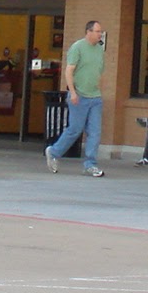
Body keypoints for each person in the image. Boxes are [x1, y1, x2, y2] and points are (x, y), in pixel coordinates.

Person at [44, 19, 107, 177]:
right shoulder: (77, 47)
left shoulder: (100, 49)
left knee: (95, 132)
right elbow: (69, 71)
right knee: (75, 129)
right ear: (89, 32)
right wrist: (72, 92)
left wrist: (100, 88)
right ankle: (54, 152)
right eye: (97, 31)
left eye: (101, 31)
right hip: (79, 96)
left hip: (95, 97)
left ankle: (90, 164)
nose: (100, 34)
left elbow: (100, 71)